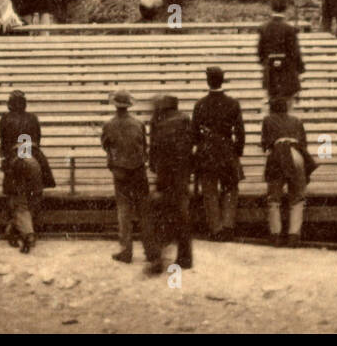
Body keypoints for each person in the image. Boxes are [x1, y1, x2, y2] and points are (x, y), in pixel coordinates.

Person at [192, 65, 245, 241]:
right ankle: (228, 226)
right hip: (227, 150)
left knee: (209, 189)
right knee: (231, 188)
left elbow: (193, 134)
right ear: (223, 80)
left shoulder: (200, 104)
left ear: (208, 81)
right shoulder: (233, 103)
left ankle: (215, 229)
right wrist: (236, 151)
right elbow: (240, 132)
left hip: (208, 151)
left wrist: (202, 147)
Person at [101, 88, 153, 264]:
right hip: (138, 171)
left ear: (116, 106)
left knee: (124, 211)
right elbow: (144, 146)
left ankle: (126, 251)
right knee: (144, 211)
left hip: (120, 171)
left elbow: (105, 145)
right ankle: (151, 251)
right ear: (129, 105)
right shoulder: (138, 124)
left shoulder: (109, 125)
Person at [0, 90, 54, 253]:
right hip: (33, 156)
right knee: (34, 196)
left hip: (16, 157)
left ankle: (23, 233)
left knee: (17, 199)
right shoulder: (33, 118)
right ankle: (21, 231)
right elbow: (38, 139)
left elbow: (4, 143)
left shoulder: (5, 118)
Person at [146, 93, 194, 274]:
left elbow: (153, 150)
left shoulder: (157, 122)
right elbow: (191, 145)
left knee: (160, 213)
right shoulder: (185, 120)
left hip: (164, 175)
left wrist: (155, 168)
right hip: (181, 175)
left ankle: (157, 256)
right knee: (182, 214)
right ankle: (185, 257)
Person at [261, 96, 313, 247]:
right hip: (296, 154)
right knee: (297, 198)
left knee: (274, 198)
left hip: (278, 154)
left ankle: (275, 234)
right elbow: (304, 143)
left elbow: (265, 144)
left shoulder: (268, 120)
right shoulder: (297, 120)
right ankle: (293, 236)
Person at [257, 0, 304, 104]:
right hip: (287, 72)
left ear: (271, 8)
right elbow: (295, 52)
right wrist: (300, 69)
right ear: (285, 8)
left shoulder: (264, 28)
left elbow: (260, 52)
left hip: (270, 71)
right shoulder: (290, 29)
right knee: (287, 104)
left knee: (271, 102)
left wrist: (267, 63)